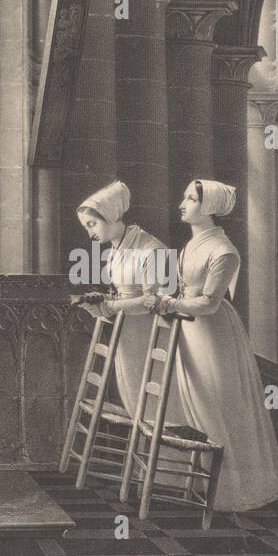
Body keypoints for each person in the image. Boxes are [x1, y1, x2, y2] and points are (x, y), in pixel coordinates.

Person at [143, 179, 278, 513]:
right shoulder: (192, 245)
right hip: (189, 332)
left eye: (190, 198)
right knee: (195, 403)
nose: (182, 203)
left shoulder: (224, 251)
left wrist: (167, 304)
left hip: (213, 335)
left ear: (207, 208)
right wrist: (169, 303)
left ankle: (232, 491)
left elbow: (208, 303)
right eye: (185, 196)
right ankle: (196, 485)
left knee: (218, 404)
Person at [74, 180, 180, 421]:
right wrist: (102, 300)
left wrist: (109, 306)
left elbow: (152, 301)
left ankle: (158, 457)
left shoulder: (149, 248)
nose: (90, 232)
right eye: (86, 226)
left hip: (152, 335)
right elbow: (126, 293)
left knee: (153, 406)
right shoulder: (114, 252)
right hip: (128, 334)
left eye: (92, 224)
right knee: (135, 403)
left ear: (109, 216)